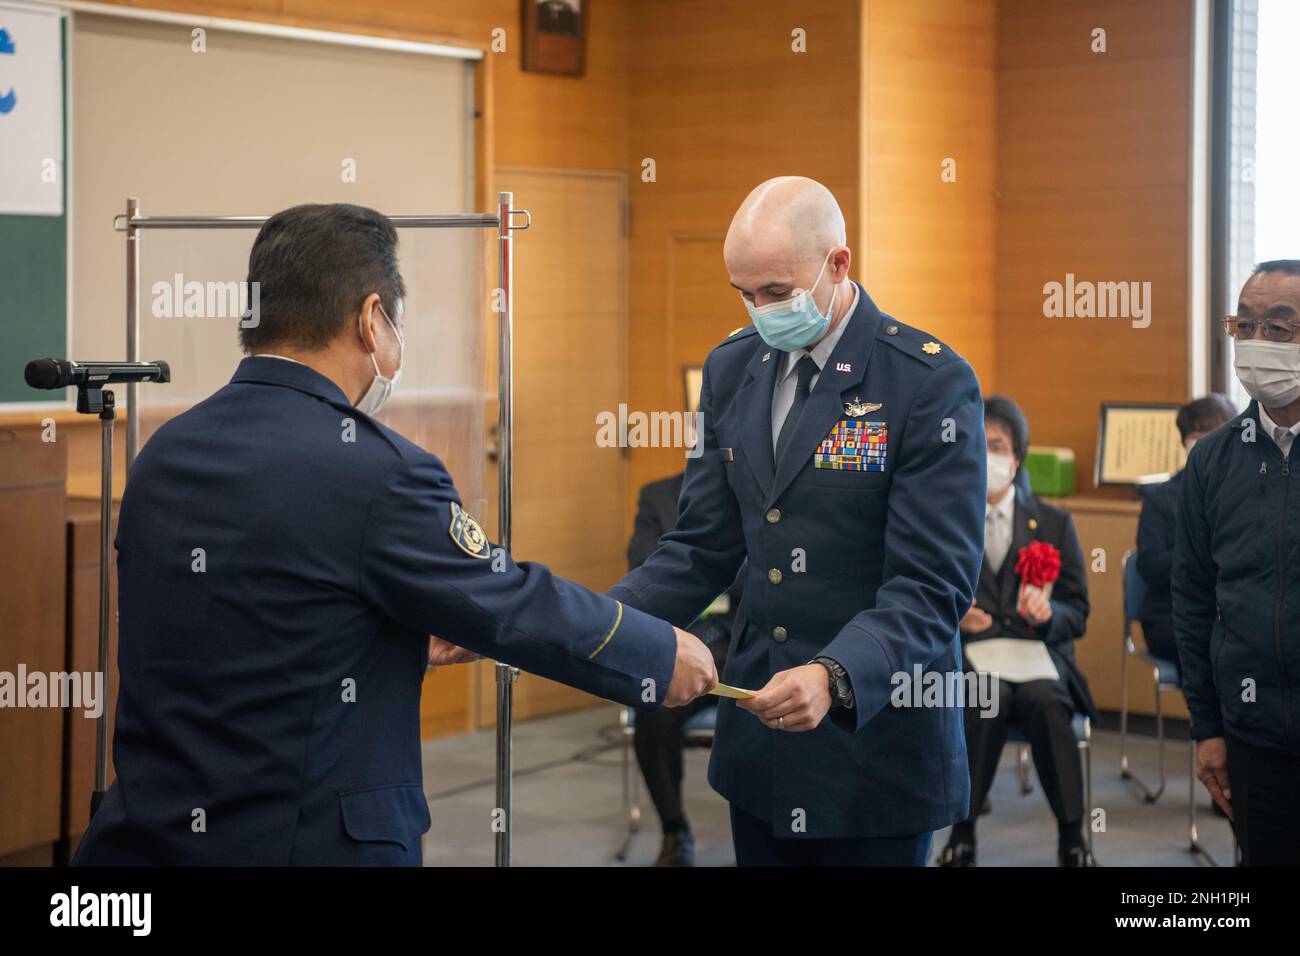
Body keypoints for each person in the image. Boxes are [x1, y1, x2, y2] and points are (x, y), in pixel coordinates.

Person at [73, 203, 716, 866]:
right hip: (308, 844)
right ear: (372, 319)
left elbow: (270, 616)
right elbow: (511, 603)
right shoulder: (378, 472)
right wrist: (656, 654)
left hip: (151, 840)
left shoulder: (164, 452)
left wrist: (398, 627)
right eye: (398, 321)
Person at [608, 176, 986, 866]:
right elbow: (698, 548)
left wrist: (835, 673)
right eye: (744, 295)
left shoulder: (926, 382)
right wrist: (584, 620)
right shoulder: (730, 370)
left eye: (776, 293)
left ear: (837, 264)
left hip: (875, 739)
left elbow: (932, 585)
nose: (760, 311)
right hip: (761, 739)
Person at [1175, 258, 1300, 866]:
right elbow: (1193, 600)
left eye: (1279, 327)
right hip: (1253, 736)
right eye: (1244, 326)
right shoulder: (1213, 461)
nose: (1258, 343)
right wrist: (1208, 728)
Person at [937, 395, 1097, 867]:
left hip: (1037, 657)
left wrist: (1049, 613)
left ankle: (1073, 838)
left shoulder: (1053, 522)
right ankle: (961, 834)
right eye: (978, 444)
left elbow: (1078, 610)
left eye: (998, 444)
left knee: (1047, 702)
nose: (988, 455)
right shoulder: (945, 520)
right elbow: (918, 596)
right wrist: (954, 617)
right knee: (987, 698)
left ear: (1018, 456)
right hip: (973, 656)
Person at [626, 471, 738, 866]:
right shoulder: (657, 496)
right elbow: (643, 564)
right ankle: (675, 831)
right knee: (653, 705)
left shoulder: (749, 486)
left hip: (736, 633)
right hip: (676, 632)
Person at [1135, 394, 1237, 664]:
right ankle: (1206, 706)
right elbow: (1149, 565)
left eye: (1215, 431)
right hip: (1171, 614)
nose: (1206, 440)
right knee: (1212, 643)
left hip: (1234, 611)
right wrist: (1199, 550)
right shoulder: (1159, 496)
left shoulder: (1247, 492)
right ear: (1184, 441)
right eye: (1197, 433)